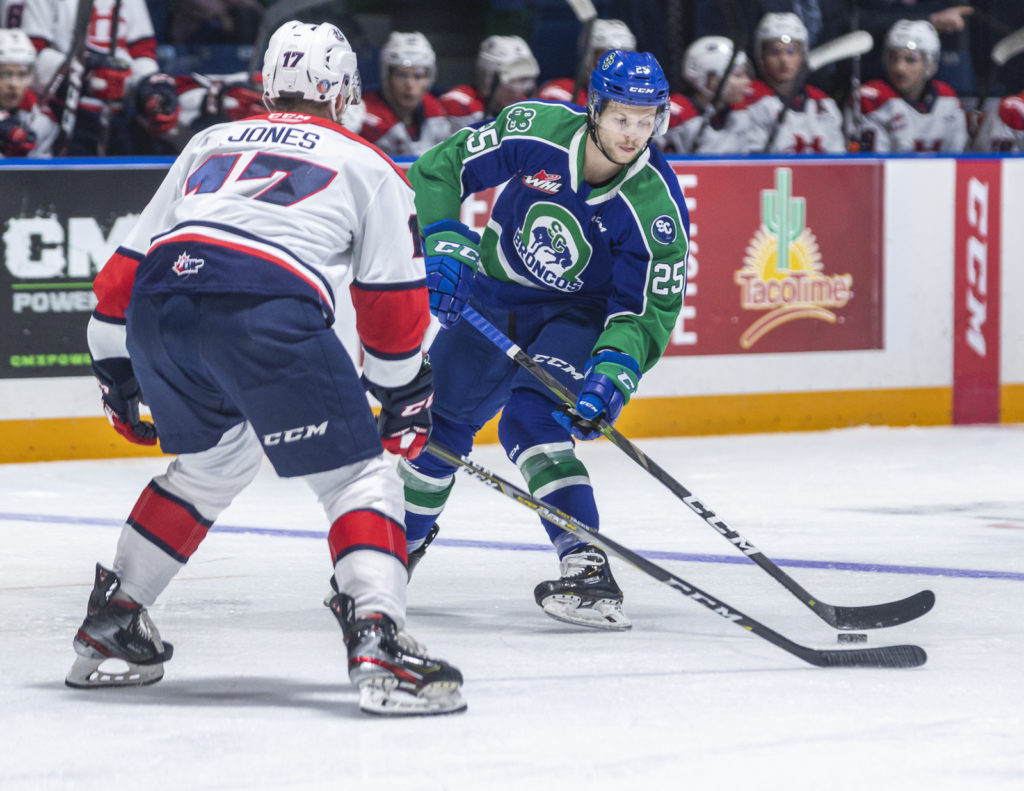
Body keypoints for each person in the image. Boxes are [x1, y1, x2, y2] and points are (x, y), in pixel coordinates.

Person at [66, 20, 465, 717]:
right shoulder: (368, 163)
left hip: (161, 307)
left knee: (210, 466)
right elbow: (392, 301)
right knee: (359, 474)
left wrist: (114, 363)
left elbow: (129, 263)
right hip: (261, 307)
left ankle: (113, 623)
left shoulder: (208, 141)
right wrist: (404, 394)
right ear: (341, 88)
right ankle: (378, 634)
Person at [400, 50, 690, 631]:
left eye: (646, 119)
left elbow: (643, 311)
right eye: (621, 118)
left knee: (531, 422)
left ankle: (586, 565)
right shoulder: (536, 129)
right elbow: (442, 167)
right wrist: (446, 241)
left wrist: (614, 372)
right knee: (437, 425)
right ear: (594, 110)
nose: (633, 133)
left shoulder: (656, 209)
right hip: (494, 297)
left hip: (577, 317)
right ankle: (392, 552)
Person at [20, 0, 179, 155]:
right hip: (62, 114)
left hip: (119, 114)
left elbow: (142, 51)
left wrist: (149, 89)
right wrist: (86, 78)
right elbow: (29, 54)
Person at [853, 20, 967, 152]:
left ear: (930, 65)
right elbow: (872, 165)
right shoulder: (873, 98)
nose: (899, 68)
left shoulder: (947, 98)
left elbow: (959, 159)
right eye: (893, 58)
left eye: (910, 60)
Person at [744, 12, 845, 153]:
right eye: (774, 52)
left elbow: (838, 160)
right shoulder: (750, 101)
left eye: (791, 51)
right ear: (761, 56)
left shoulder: (824, 103)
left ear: (802, 55)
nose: (784, 60)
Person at [359, 31, 451, 157]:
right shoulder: (361, 112)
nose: (410, 85)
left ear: (430, 79)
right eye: (401, 75)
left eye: (418, 76)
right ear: (387, 76)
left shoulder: (436, 112)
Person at [660, 35, 754, 154]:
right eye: (738, 76)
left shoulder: (741, 113)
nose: (747, 81)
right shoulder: (672, 115)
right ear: (712, 80)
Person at [440, 34, 539, 129]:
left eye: (523, 79)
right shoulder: (462, 103)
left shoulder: (524, 107)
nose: (516, 90)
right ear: (487, 76)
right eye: (510, 79)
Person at [536, 18, 636, 106]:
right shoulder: (560, 93)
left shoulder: (638, 97)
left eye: (626, 60)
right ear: (589, 58)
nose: (617, 68)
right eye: (609, 60)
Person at [0, 27, 57, 157]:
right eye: (5, 74)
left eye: (22, 75)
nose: (14, 84)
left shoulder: (41, 123)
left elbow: (40, 175)